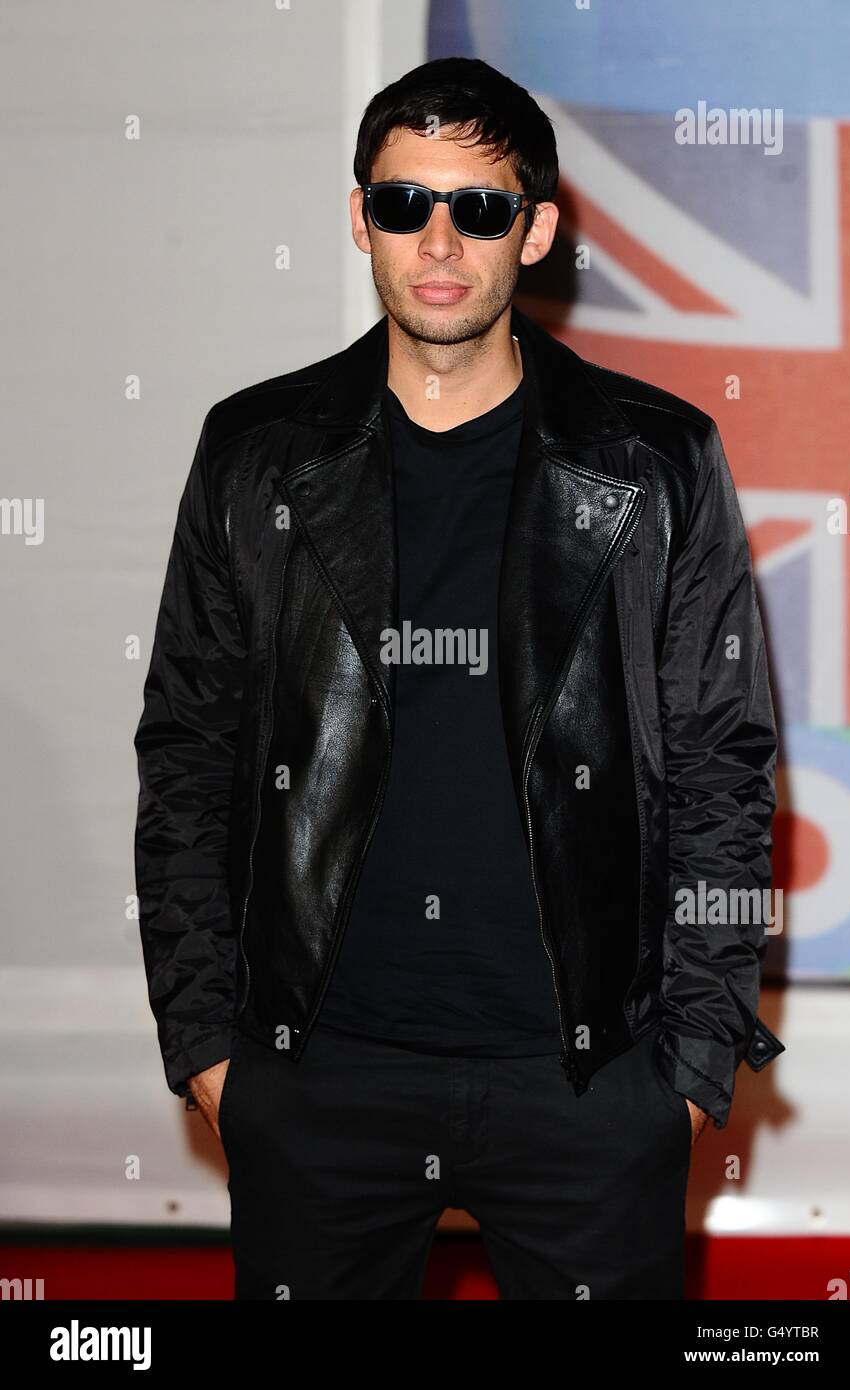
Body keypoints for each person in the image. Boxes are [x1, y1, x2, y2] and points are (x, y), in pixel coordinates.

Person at [134, 56, 785, 1300]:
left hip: (588, 1080)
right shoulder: (254, 453)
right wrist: (210, 1043)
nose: (438, 240)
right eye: (402, 203)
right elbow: (187, 756)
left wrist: (694, 1059)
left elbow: (722, 770)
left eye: (478, 208)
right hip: (317, 1073)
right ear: (359, 217)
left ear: (533, 229)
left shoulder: (655, 460)